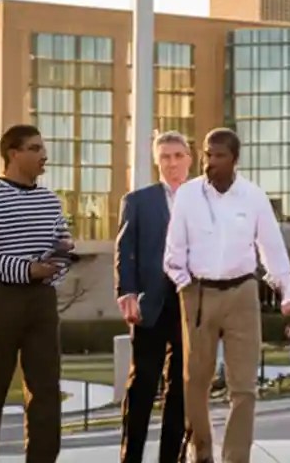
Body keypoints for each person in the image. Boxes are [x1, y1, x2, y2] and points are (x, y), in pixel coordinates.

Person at [163, 128, 290, 463]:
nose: (210, 162)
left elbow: (272, 247)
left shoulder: (253, 197)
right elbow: (173, 250)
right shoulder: (189, 195)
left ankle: (236, 458)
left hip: (242, 292)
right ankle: (202, 452)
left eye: (219, 155)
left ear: (234, 159)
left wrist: (286, 290)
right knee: (195, 381)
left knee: (244, 387)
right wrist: (184, 283)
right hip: (198, 293)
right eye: (207, 154)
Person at [0, 124, 73, 463]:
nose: (44, 156)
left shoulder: (50, 201)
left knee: (46, 390)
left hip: (40, 301)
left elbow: (63, 245)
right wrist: (26, 269)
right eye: (36, 148)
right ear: (14, 153)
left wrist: (55, 267)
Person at [115, 131, 193, 463]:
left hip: (191, 304)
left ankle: (170, 458)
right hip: (151, 303)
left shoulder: (204, 199)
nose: (172, 163)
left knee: (180, 387)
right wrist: (126, 292)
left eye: (178, 156)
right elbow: (125, 250)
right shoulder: (138, 201)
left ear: (190, 159)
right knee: (143, 384)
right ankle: (130, 457)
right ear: (156, 161)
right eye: (165, 157)